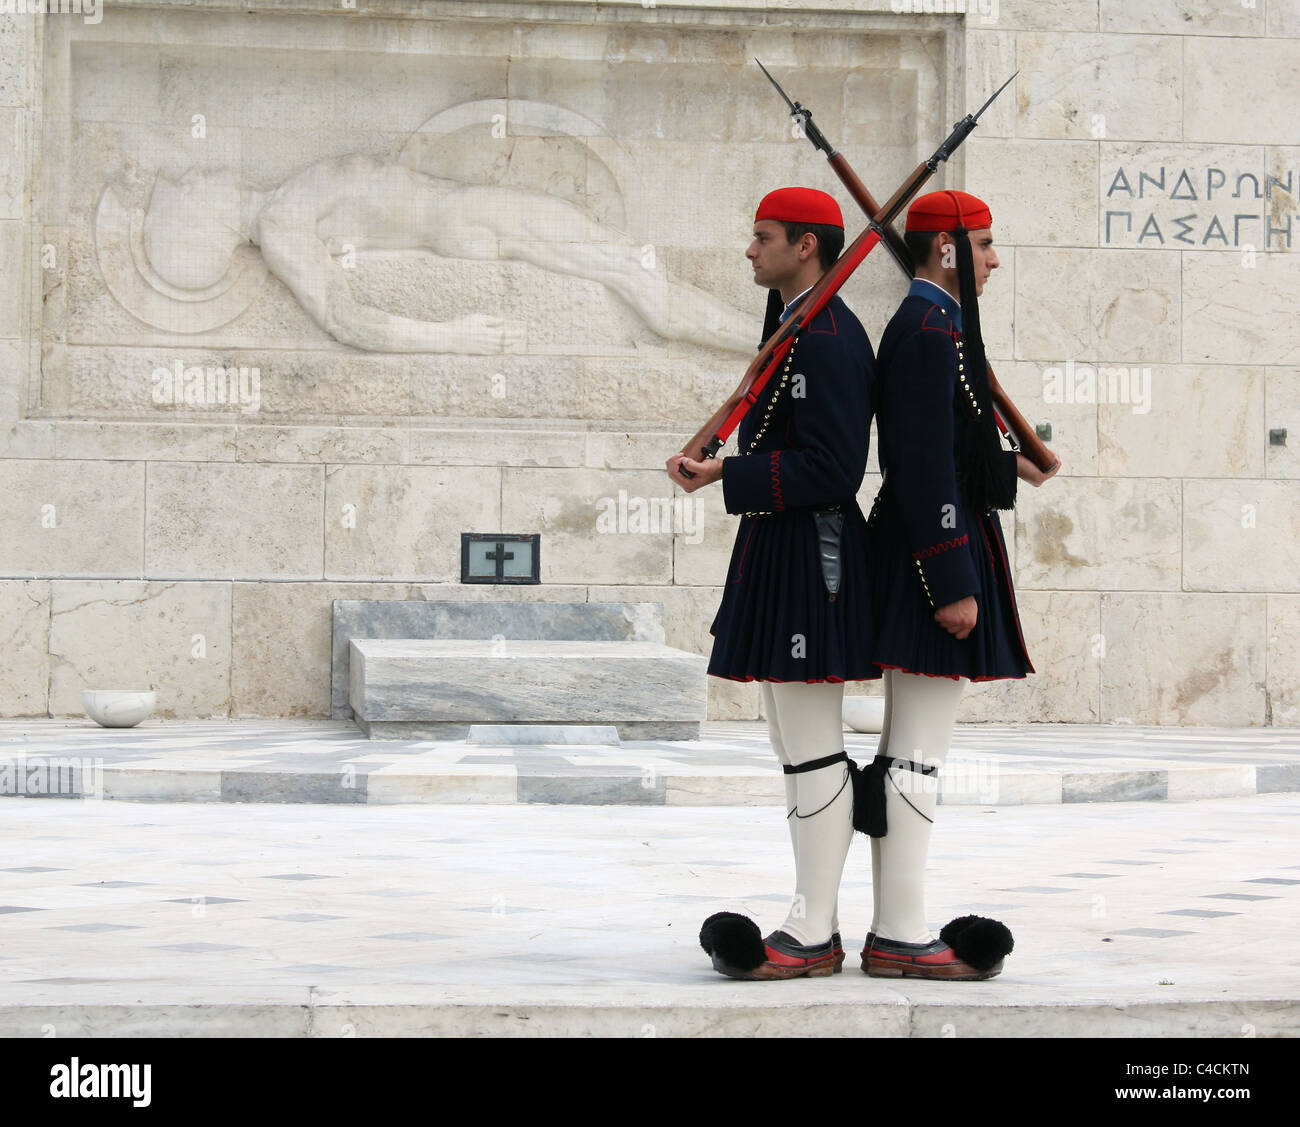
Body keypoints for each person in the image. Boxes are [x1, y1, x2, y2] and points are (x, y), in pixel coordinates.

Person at [667, 186, 877, 980]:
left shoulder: (827, 337)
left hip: (811, 550)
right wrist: (728, 469)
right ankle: (809, 916)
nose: (750, 250)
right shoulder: (795, 324)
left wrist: (730, 471)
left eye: (763, 237)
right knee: (791, 741)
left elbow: (833, 467)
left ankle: (814, 927)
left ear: (807, 247)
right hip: (781, 543)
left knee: (814, 746)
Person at [862, 188, 1054, 980]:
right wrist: (950, 578)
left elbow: (952, 441)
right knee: (916, 753)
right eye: (984, 245)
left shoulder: (939, 325)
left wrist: (1012, 462)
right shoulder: (929, 328)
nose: (994, 259)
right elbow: (917, 463)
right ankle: (901, 933)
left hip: (936, 541)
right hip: (929, 552)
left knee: (909, 750)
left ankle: (893, 925)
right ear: (948, 250)